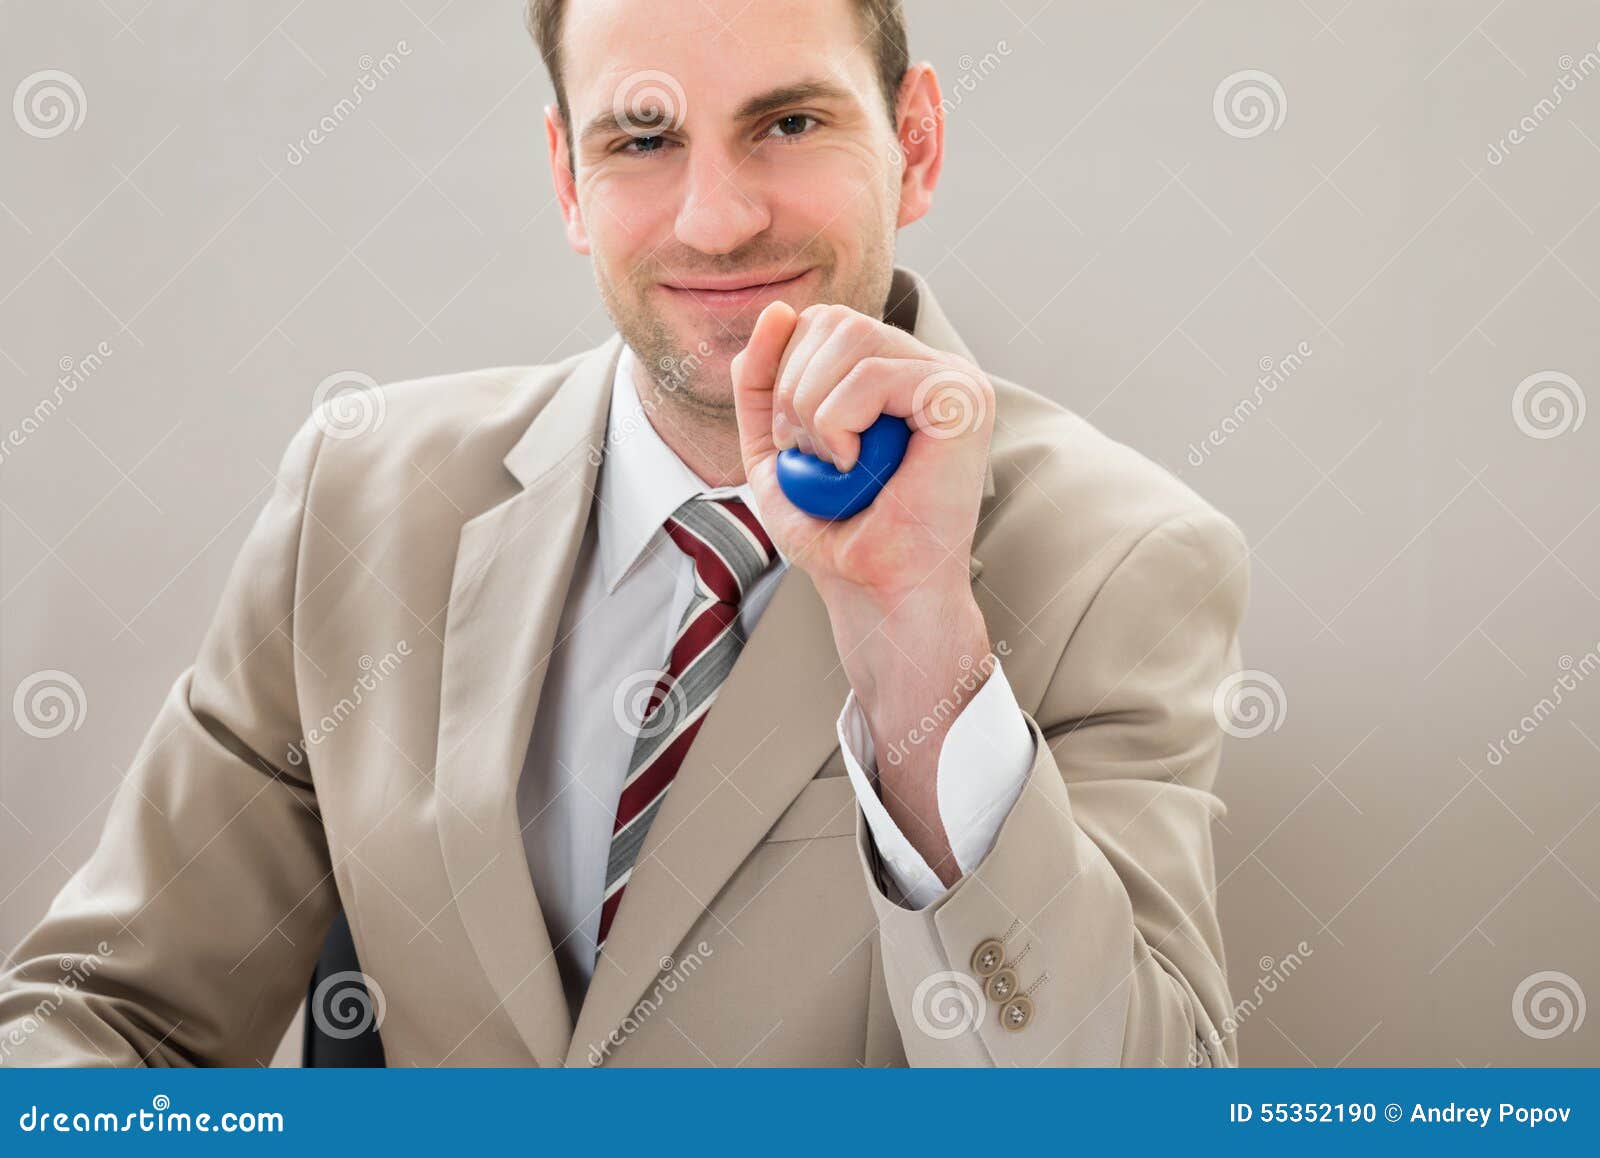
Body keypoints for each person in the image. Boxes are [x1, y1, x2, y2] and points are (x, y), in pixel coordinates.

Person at [0, 0, 1250, 1067]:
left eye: (789, 123)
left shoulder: (1123, 562)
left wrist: (919, 649)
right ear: (567, 180)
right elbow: (109, 1015)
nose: (714, 221)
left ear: (912, 146)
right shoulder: (360, 497)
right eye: (642, 138)